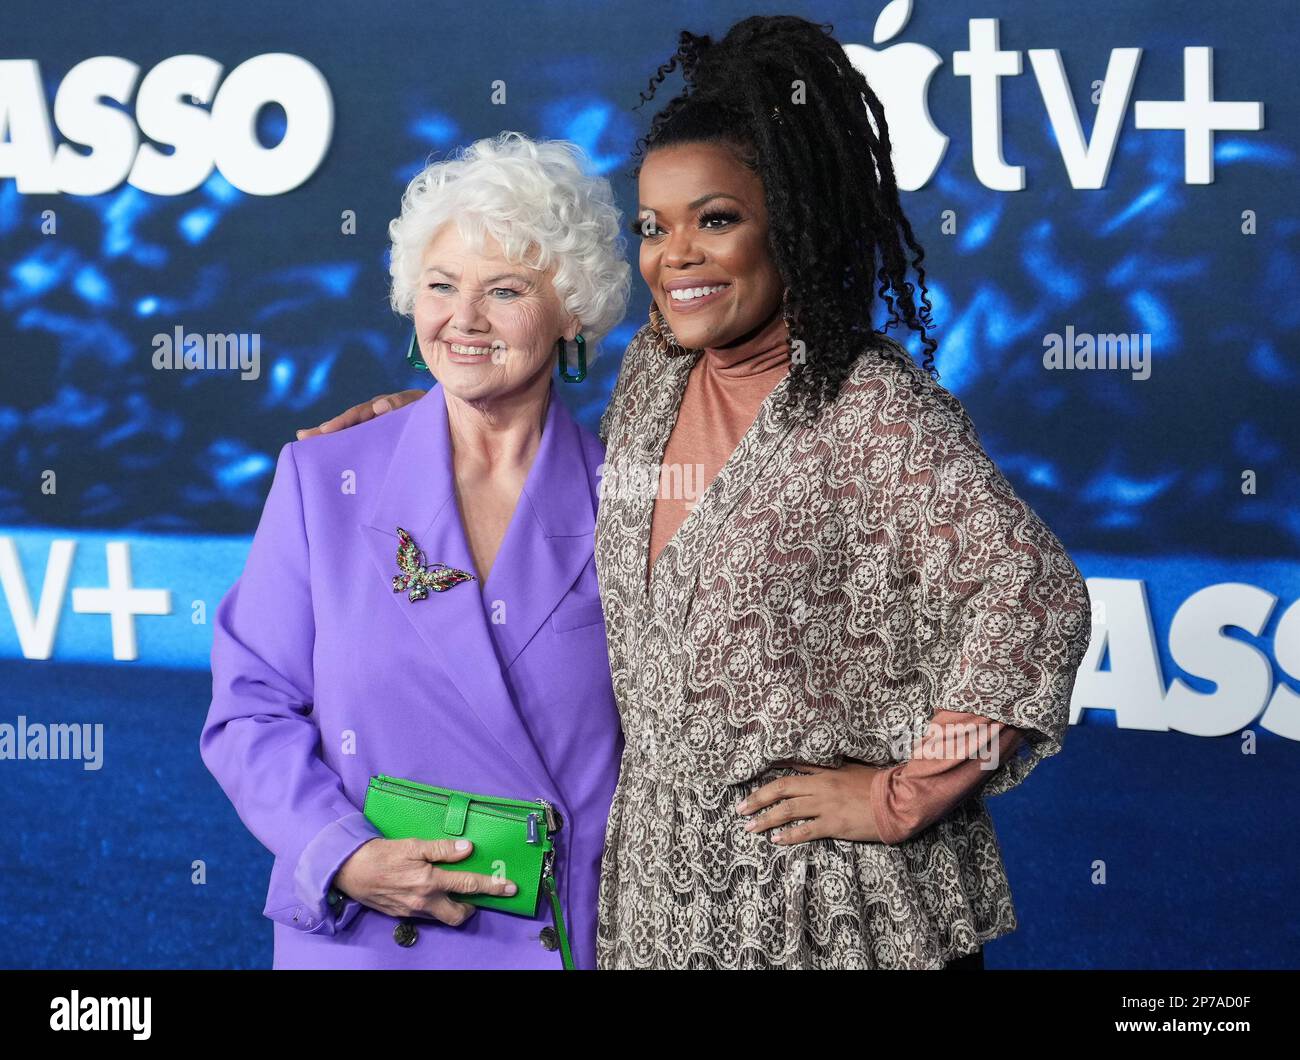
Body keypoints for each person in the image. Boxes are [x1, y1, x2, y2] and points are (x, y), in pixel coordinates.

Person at [301, 16, 1093, 969]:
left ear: (790, 223)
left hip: (829, 913)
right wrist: (431, 418)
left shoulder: (871, 407)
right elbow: (578, 457)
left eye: (716, 219)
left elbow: (1034, 601)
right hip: (662, 899)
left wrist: (905, 792)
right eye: (653, 227)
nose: (676, 254)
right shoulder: (656, 373)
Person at [200, 131, 630, 968]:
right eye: (440, 286)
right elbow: (249, 711)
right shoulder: (321, 479)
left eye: (504, 290)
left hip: (563, 941)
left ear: (572, 310)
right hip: (370, 942)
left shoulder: (634, 502)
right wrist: (341, 855)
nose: (462, 319)